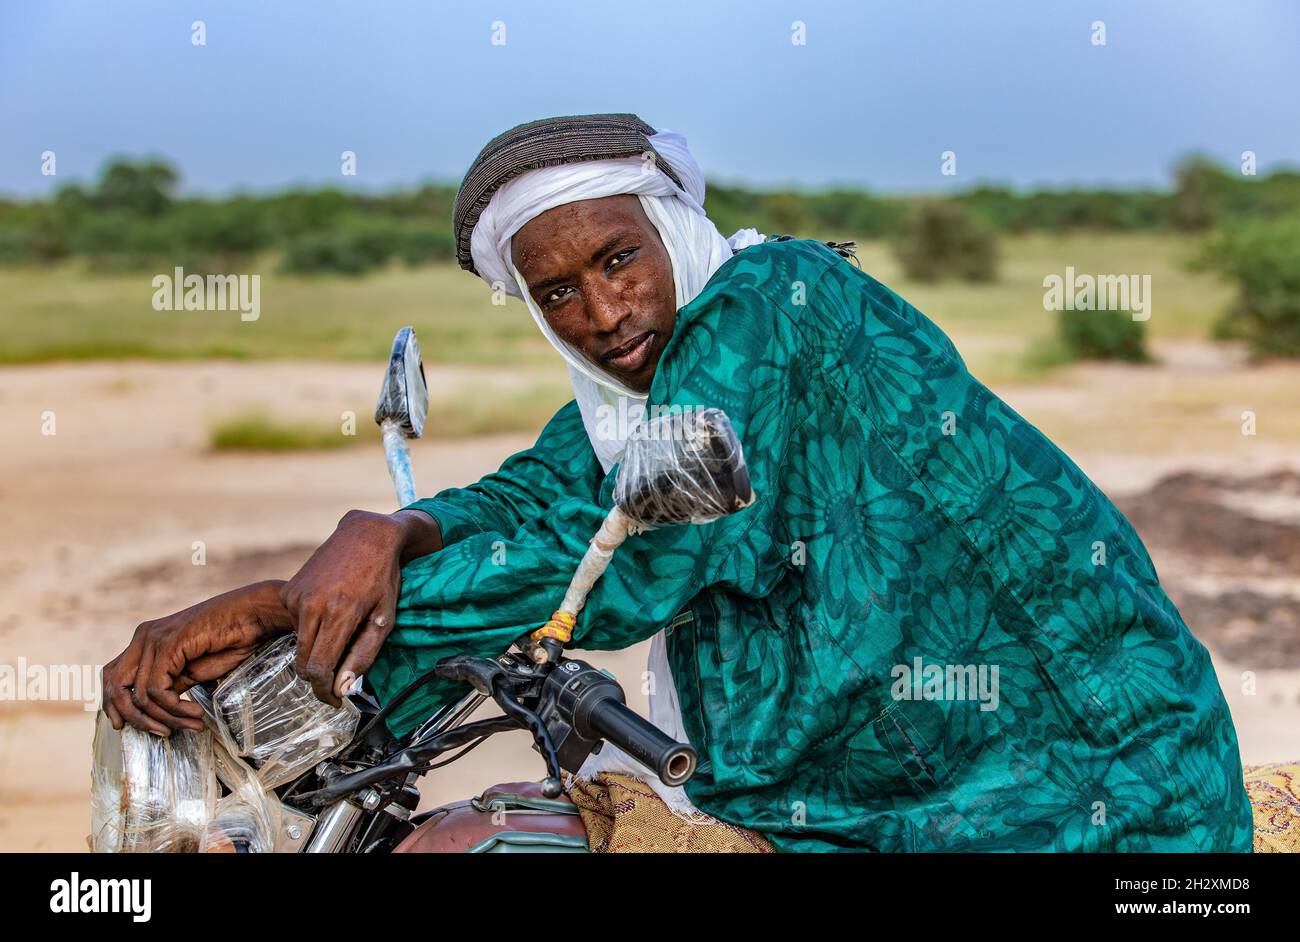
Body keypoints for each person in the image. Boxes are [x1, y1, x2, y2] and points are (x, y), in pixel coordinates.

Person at [103, 113, 1254, 852]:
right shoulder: (632, 397)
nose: (603, 315)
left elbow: (629, 553)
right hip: (872, 784)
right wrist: (387, 527)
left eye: (618, 259)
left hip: (1080, 780)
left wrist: (274, 608)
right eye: (557, 293)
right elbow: (541, 495)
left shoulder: (774, 305)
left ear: (671, 228)